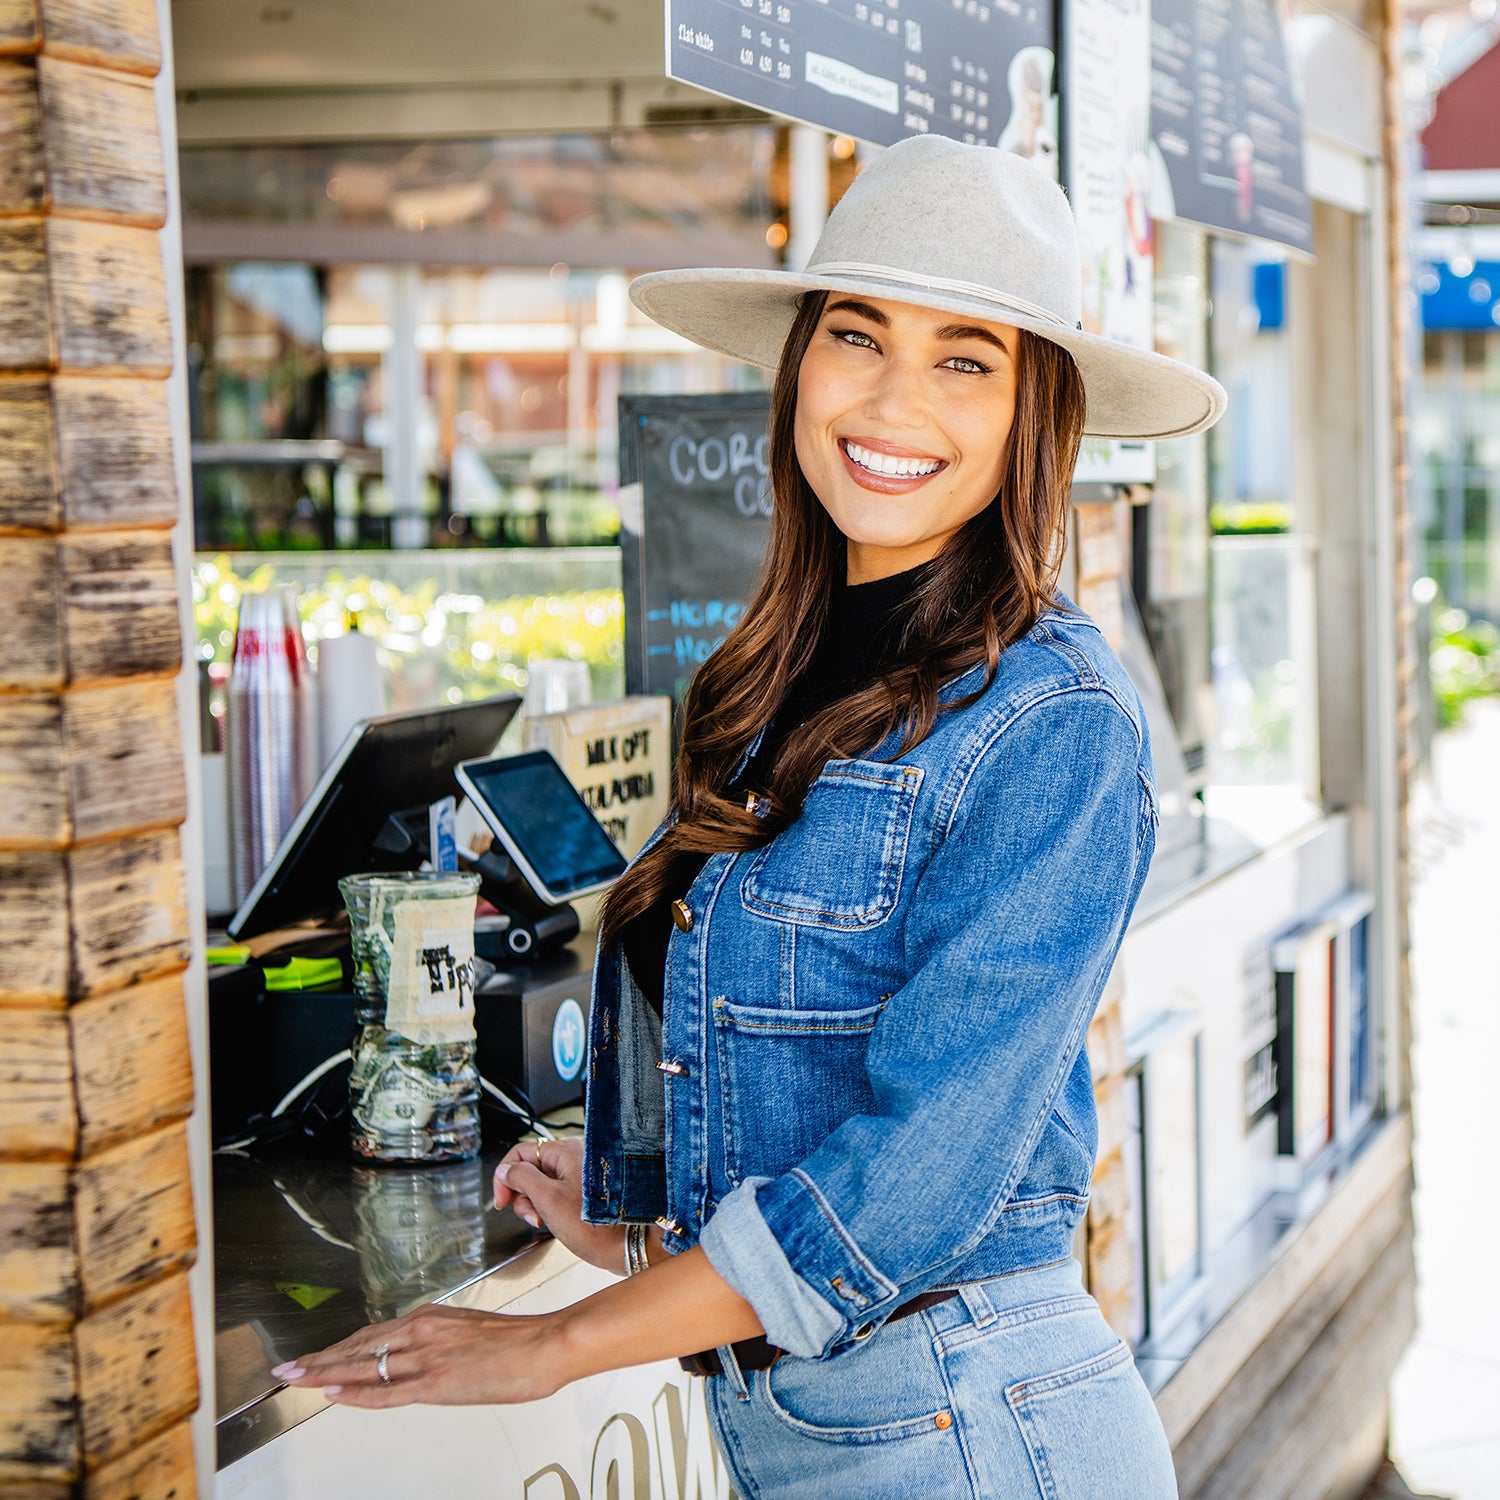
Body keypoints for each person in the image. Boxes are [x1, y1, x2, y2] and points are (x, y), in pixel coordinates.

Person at [274, 134, 1225, 1498]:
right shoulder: (781, 677)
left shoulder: (1057, 720)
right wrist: (639, 1238)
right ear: (799, 367)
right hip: (832, 1430)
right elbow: (795, 1102)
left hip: (973, 1430)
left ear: (1035, 416)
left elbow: (912, 1186)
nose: (896, 400)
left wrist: (554, 1346)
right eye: (859, 336)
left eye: (967, 359)